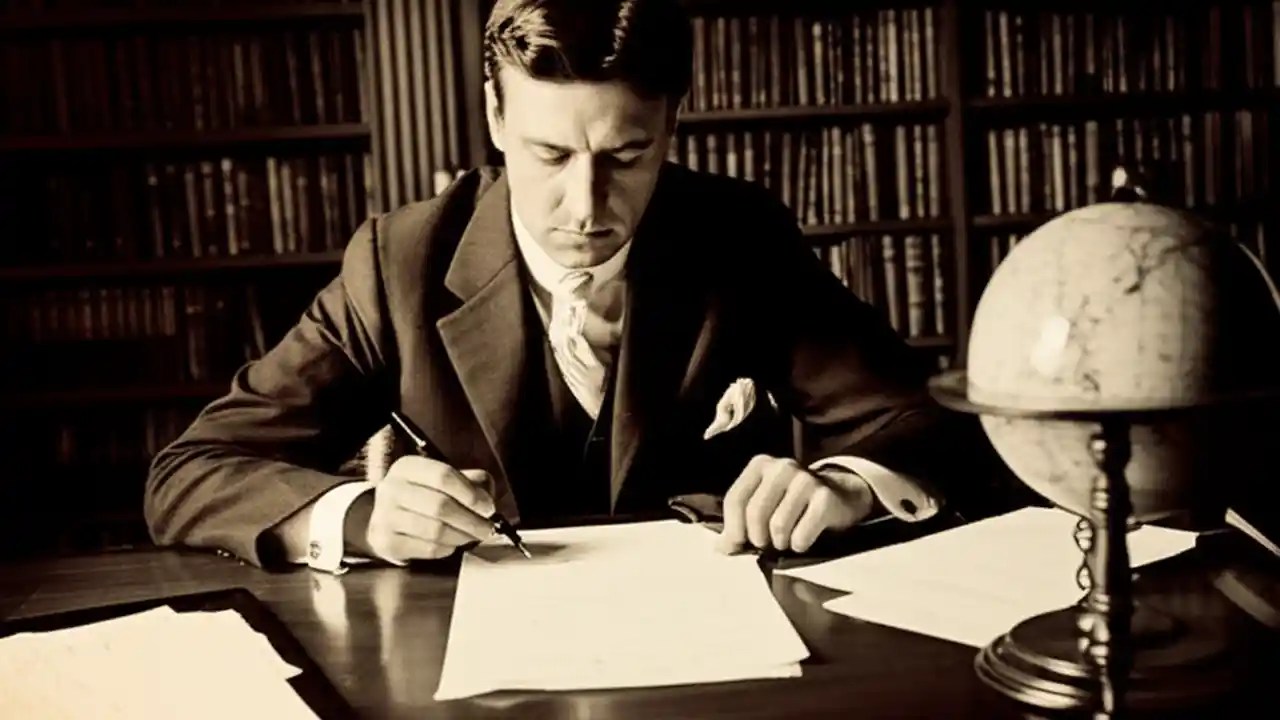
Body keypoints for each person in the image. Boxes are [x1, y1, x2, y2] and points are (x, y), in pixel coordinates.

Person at [145, 0, 999, 573]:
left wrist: (848, 482)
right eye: (550, 156)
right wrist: (354, 516)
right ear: (494, 119)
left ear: (673, 123)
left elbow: (924, 423)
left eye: (627, 157)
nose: (586, 208)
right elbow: (192, 470)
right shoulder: (397, 262)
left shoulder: (739, 236)